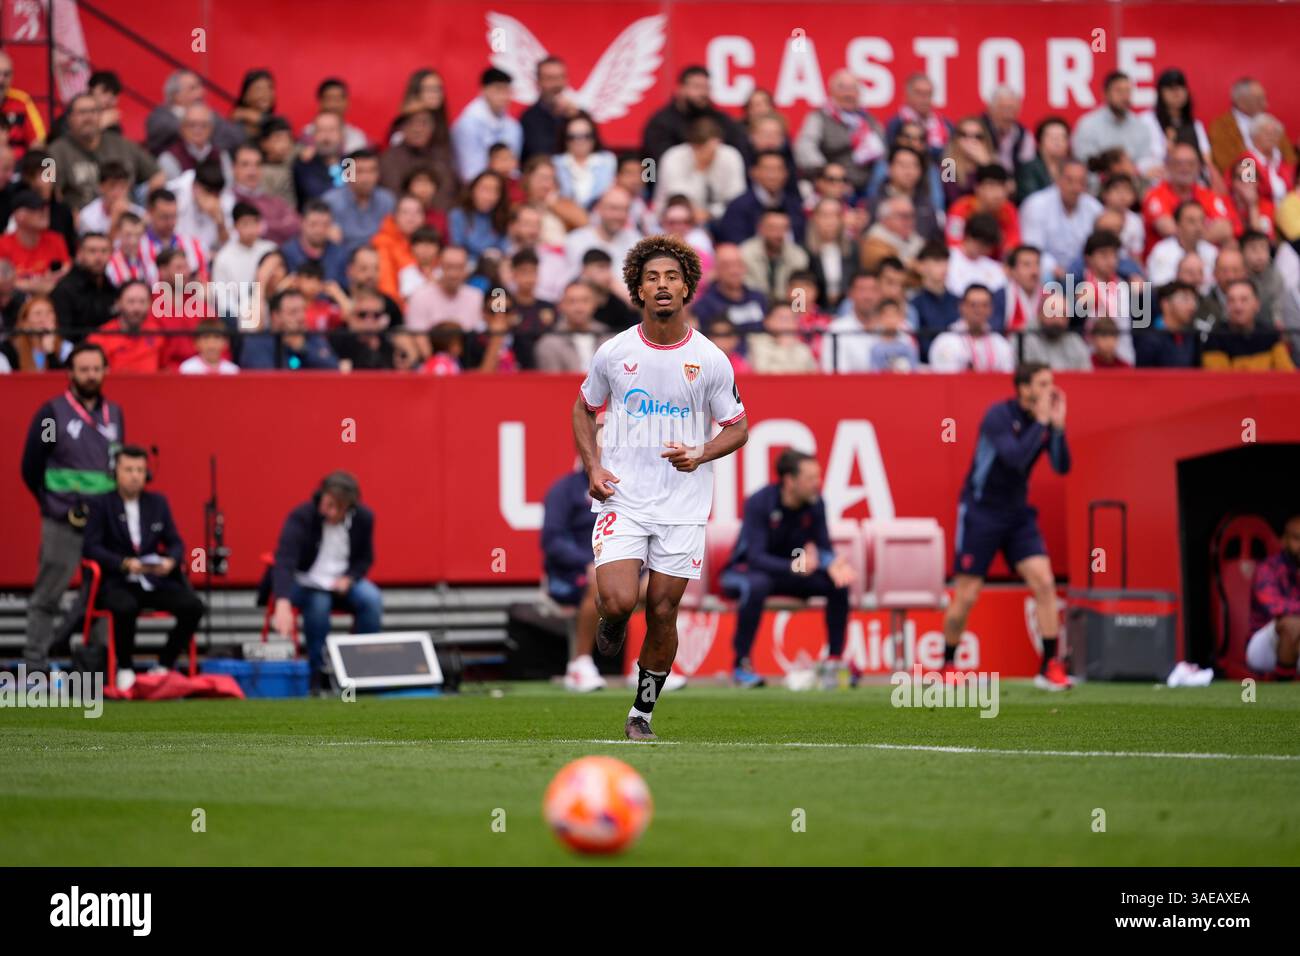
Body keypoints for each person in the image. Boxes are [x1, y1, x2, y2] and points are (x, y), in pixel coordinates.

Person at [573, 234, 748, 740]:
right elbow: (584, 407)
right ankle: (610, 621)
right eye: (652, 277)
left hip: (683, 505)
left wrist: (700, 452)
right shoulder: (615, 351)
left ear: (688, 286)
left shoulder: (711, 359)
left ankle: (641, 715)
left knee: (664, 609)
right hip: (623, 497)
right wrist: (593, 466)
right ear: (638, 290)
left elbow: (737, 427)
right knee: (620, 601)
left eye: (672, 276)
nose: (663, 284)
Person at [944, 362, 1072, 690]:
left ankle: (1049, 667)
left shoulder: (1040, 423)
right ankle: (947, 663)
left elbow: (1062, 466)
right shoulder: (998, 416)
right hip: (981, 511)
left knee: (1044, 582)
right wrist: (1043, 423)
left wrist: (1057, 428)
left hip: (1017, 514)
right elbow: (1014, 457)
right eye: (1042, 384)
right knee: (968, 594)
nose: (1050, 391)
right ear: (1024, 388)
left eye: (1051, 383)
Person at [20, 342, 125, 672]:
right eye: (84, 370)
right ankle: (35, 665)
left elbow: (116, 464)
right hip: (63, 520)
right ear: (70, 373)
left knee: (103, 596)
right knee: (48, 594)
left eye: (96, 369)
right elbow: (33, 464)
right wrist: (50, 504)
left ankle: (99, 665)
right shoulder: (52, 414)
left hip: (103, 522)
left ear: (105, 371)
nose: (91, 376)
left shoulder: (115, 414)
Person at [722, 450, 855, 689]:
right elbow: (755, 557)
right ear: (790, 481)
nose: (818, 483)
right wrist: (794, 566)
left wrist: (832, 564)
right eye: (811, 478)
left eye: (818, 477)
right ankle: (741, 665)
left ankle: (834, 663)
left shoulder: (816, 503)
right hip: (744, 572)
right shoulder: (759, 502)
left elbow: (824, 547)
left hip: (790, 574)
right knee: (757, 584)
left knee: (838, 584)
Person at [82, 445, 206, 690]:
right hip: (118, 581)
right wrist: (124, 564)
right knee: (125, 607)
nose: (135, 475)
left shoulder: (158, 503)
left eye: (140, 469)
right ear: (115, 471)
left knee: (194, 606)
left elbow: (176, 542)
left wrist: (170, 560)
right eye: (129, 469)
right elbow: (91, 548)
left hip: (153, 580)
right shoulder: (101, 504)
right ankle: (125, 667)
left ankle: (164, 665)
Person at [269, 471, 382, 692]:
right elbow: (284, 560)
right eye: (327, 503)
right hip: (304, 583)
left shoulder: (364, 518)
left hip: (342, 583)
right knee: (319, 604)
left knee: (372, 598)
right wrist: (281, 601)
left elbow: (365, 558)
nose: (329, 511)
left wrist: (350, 578)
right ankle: (316, 674)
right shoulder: (301, 517)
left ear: (349, 507)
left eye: (336, 507)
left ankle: (362, 672)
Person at [542, 450, 604, 693]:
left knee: (658, 583)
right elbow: (552, 540)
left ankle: (643, 663)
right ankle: (580, 663)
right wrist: (585, 562)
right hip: (569, 576)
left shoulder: (623, 487)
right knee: (601, 578)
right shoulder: (564, 490)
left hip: (616, 569)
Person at [794, 69, 886, 194]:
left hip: (867, 186)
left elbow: (883, 150)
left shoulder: (869, 120)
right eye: (842, 88)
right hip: (831, 186)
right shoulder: (819, 117)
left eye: (853, 89)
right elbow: (805, 148)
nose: (848, 94)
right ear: (831, 92)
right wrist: (827, 173)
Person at [640, 65, 747, 165]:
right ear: (680, 89)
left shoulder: (720, 120)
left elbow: (738, 150)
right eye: (697, 87)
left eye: (706, 88)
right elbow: (657, 160)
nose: (703, 93)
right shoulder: (661, 123)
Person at [1018, 159, 1101, 280]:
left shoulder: (1093, 208)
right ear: (1058, 179)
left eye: (1081, 182)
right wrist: (1054, 268)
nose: (1076, 187)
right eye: (1070, 181)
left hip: (1083, 272)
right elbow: (1032, 249)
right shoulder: (1036, 204)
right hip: (1048, 273)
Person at [1245, 514, 1300, 681]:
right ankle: (1283, 687)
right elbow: (1274, 607)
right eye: (1297, 539)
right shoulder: (1268, 567)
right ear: (1284, 540)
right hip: (1264, 647)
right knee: (1291, 623)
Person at [1208, 77, 1297, 177]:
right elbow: (1227, 165)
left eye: (1265, 98)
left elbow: (1290, 158)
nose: (1266, 105)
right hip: (1248, 182)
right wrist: (1259, 180)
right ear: (1240, 102)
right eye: (1258, 100)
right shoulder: (1222, 127)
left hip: (1282, 180)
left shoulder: (1271, 121)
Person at [1201, 279, 1295, 371]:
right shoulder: (1215, 337)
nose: (1238, 307)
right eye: (1231, 301)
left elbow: (1287, 374)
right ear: (1226, 306)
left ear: (1257, 304)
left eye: (1244, 300)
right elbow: (1219, 379)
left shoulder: (1270, 334)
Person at [1070, 71, 1153, 171]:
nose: (1124, 96)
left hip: (1134, 183)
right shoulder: (1088, 125)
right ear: (1106, 94)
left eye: (1128, 91)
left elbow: (1146, 162)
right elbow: (1085, 162)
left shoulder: (1140, 126)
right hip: (1098, 184)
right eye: (1119, 91)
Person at [451, 67, 523, 181]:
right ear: (483, 90)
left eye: (507, 90)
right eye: (498, 89)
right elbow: (470, 172)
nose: (504, 95)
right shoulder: (467, 125)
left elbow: (513, 168)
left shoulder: (513, 127)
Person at [928, 284, 1015, 372]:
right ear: (962, 307)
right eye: (973, 305)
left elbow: (1007, 376)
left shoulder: (1000, 343)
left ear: (991, 309)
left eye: (984, 305)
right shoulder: (946, 341)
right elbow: (945, 380)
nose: (979, 310)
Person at [50, 232, 116, 337]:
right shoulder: (64, 290)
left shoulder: (112, 289)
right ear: (80, 253)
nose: (99, 257)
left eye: (104, 251)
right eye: (92, 251)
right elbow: (63, 335)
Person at [521, 56, 579, 161]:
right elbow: (540, 154)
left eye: (561, 77)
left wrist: (575, 118)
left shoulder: (577, 115)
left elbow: (595, 151)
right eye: (550, 78)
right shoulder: (529, 119)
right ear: (538, 82)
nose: (557, 84)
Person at [1136, 280, 1201, 368]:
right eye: (1185, 299)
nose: (1192, 306)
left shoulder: (1192, 337)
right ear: (1165, 303)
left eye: (1194, 300)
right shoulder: (1149, 340)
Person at [1021, 291, 1091, 370]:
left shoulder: (1076, 342)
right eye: (1052, 314)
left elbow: (1086, 375)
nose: (1058, 321)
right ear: (1040, 314)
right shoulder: (1024, 340)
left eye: (1063, 315)